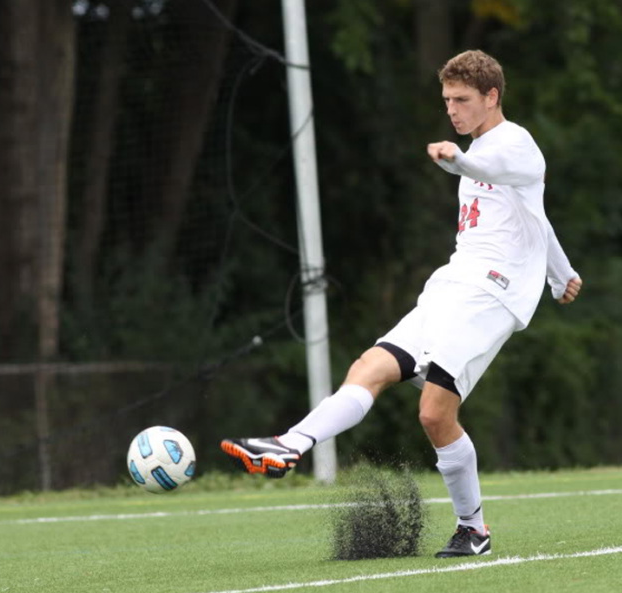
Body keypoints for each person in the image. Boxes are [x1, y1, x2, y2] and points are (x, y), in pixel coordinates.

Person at [221, 49, 582, 558]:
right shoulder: (479, 151)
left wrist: (457, 160)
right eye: (447, 101)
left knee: (434, 413)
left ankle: (472, 528)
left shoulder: (515, 145)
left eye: (462, 100)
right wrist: (561, 273)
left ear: (492, 97)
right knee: (370, 364)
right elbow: (534, 217)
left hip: (493, 293)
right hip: (453, 285)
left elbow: (489, 167)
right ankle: (291, 444)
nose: (452, 110)